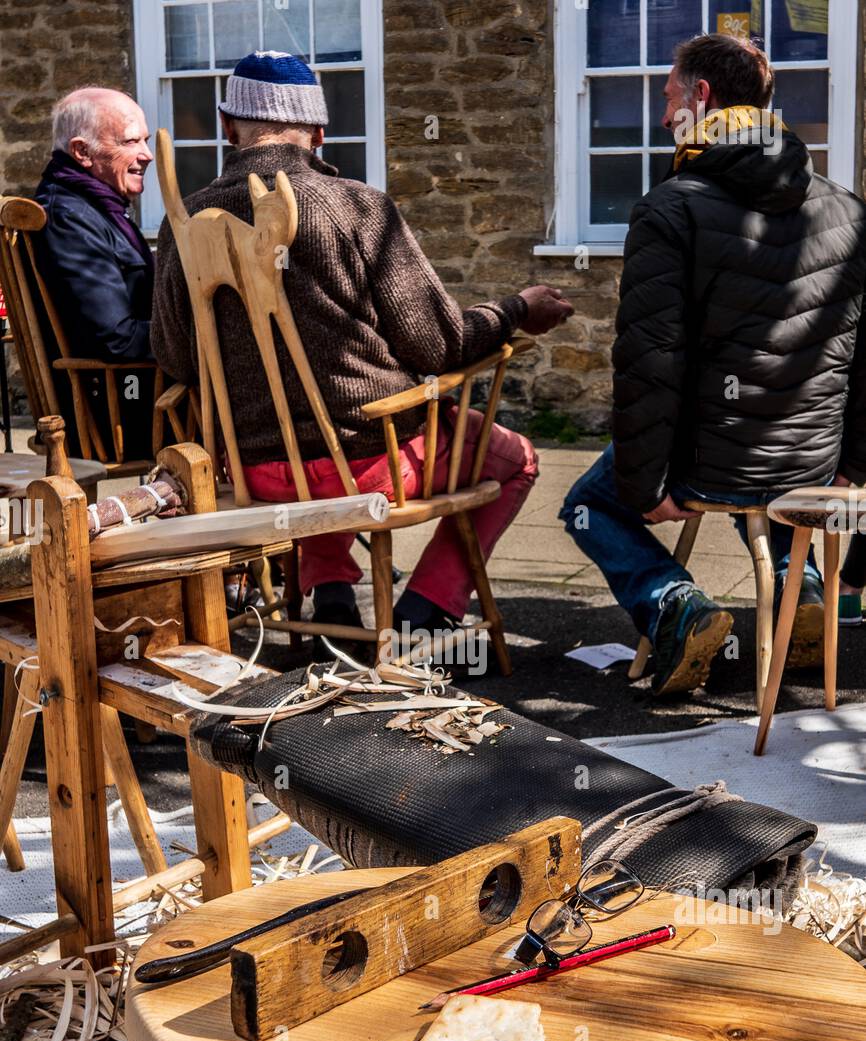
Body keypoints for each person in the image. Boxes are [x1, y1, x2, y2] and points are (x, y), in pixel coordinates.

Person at [152, 51, 573, 644]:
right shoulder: (357, 207)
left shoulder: (184, 223)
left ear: (228, 129)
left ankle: (328, 597)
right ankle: (427, 610)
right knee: (516, 461)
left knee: (311, 432)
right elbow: (439, 345)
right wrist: (515, 311)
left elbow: (173, 357)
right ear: (320, 134)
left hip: (250, 473)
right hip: (370, 467)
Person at [560, 33, 866, 696]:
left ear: (702, 97)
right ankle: (798, 586)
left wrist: (646, 486)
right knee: (763, 453)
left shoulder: (670, 210)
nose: (665, 117)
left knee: (587, 504)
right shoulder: (847, 209)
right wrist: (851, 467)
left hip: (713, 458)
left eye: (670, 97)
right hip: (812, 461)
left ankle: (675, 604)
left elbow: (650, 361)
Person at [34, 88, 156, 458]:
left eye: (145, 141)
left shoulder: (98, 208)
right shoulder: (69, 218)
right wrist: (196, 336)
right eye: (131, 141)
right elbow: (116, 339)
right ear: (82, 152)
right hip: (123, 406)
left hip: (133, 393)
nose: (147, 155)